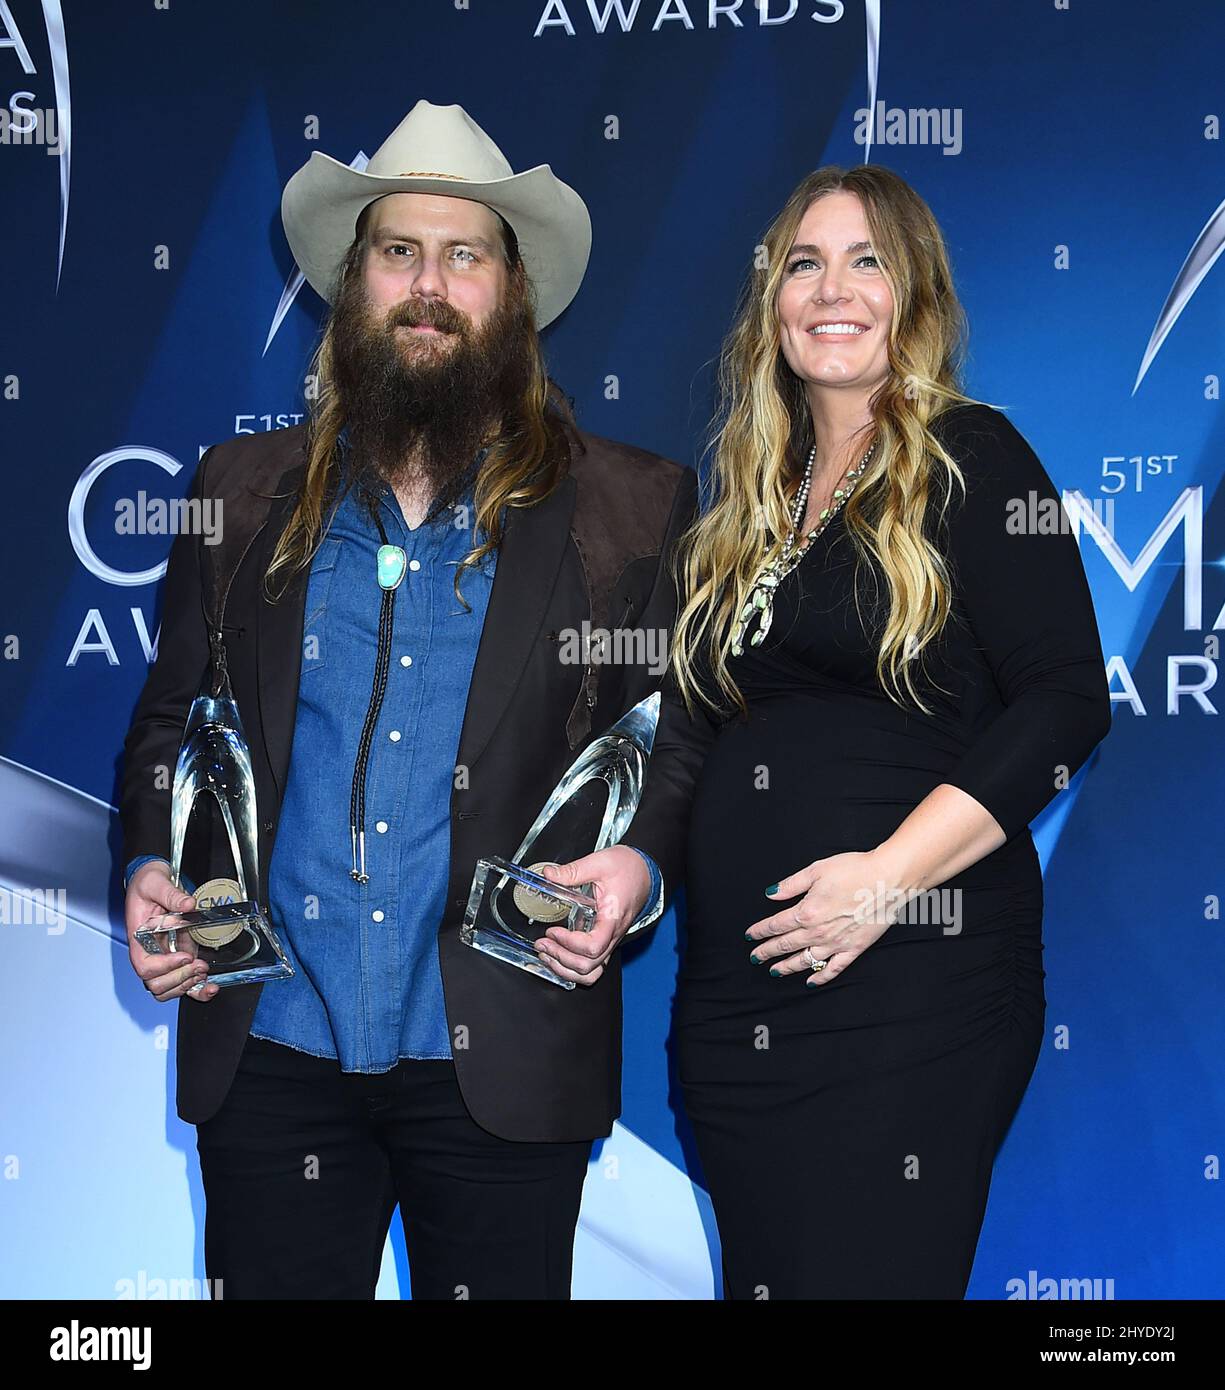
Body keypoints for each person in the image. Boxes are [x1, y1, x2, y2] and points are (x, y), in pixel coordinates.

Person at [119, 100, 697, 1300]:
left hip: (500, 1045)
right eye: (397, 251)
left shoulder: (633, 508)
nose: (427, 283)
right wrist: (142, 865)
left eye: (464, 254)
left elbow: (676, 739)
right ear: (351, 285)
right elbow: (171, 720)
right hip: (275, 1040)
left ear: (512, 295)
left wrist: (636, 872)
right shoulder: (234, 491)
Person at [655, 164, 1112, 1299]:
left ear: (916, 299)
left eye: (868, 261)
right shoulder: (749, 509)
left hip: (910, 986)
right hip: (738, 1008)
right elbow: (696, 746)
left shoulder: (972, 455)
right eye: (803, 262)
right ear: (770, 302)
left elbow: (1066, 701)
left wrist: (886, 881)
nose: (831, 288)